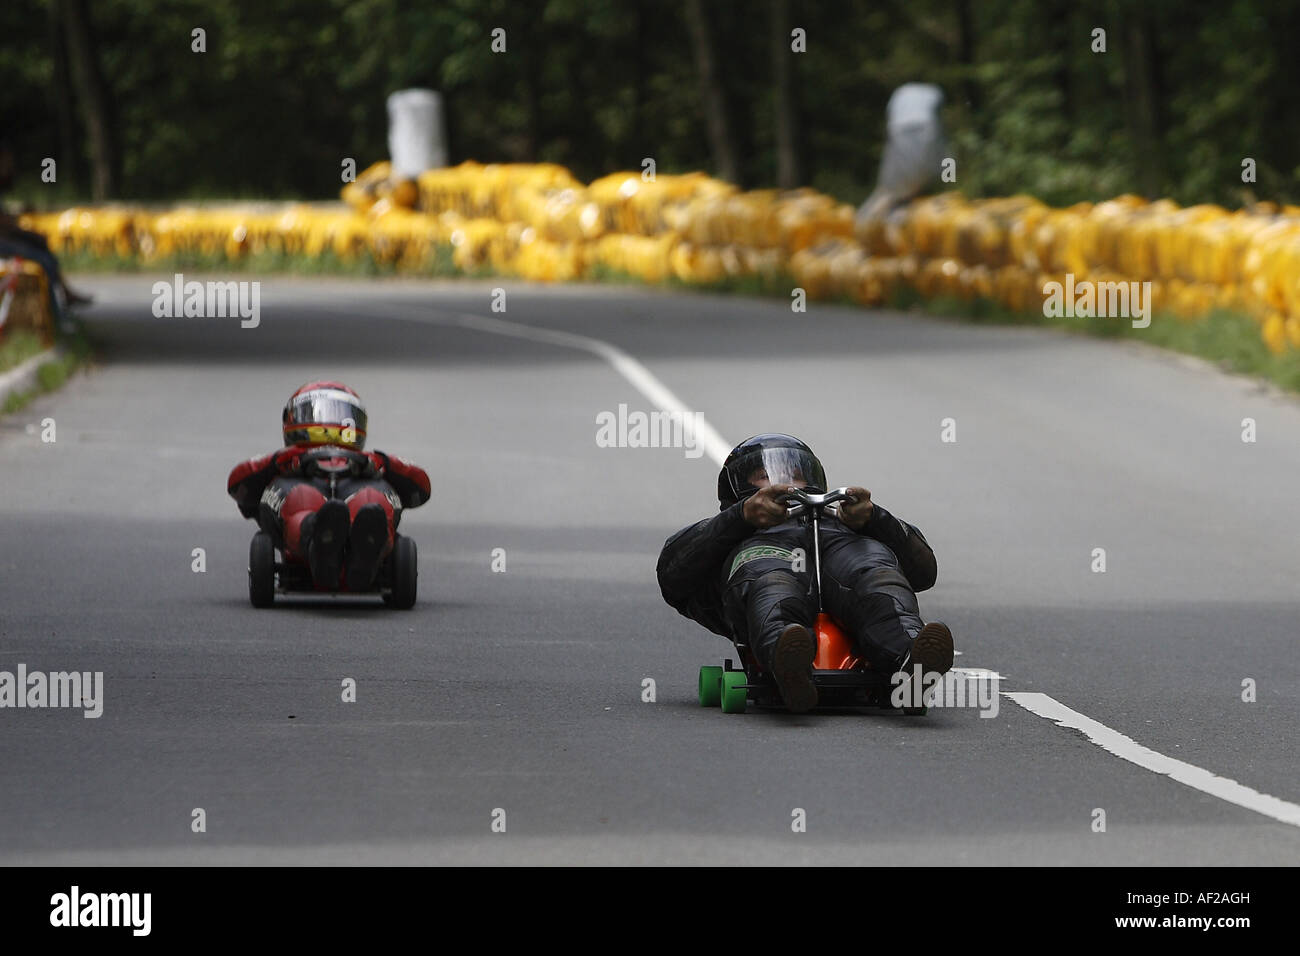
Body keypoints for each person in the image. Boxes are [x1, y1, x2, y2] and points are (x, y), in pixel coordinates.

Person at [657, 433, 953, 713]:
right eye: (765, 475)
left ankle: (911, 658)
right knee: (771, 581)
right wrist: (740, 518)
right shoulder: (729, 530)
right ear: (737, 492)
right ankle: (788, 660)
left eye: (796, 473)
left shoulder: (842, 522)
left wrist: (876, 518)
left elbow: (924, 572)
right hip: (770, 557)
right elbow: (672, 574)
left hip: (839, 554)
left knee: (876, 573)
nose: (786, 481)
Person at [227, 381, 430, 589]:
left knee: (372, 499)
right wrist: (278, 462)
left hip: (356, 488)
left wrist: (383, 463)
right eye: (318, 415)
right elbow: (237, 484)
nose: (329, 426)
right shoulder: (283, 464)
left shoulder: (373, 464)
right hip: (301, 488)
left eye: (341, 415)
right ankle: (320, 542)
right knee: (302, 496)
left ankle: (364, 550)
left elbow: (421, 489)